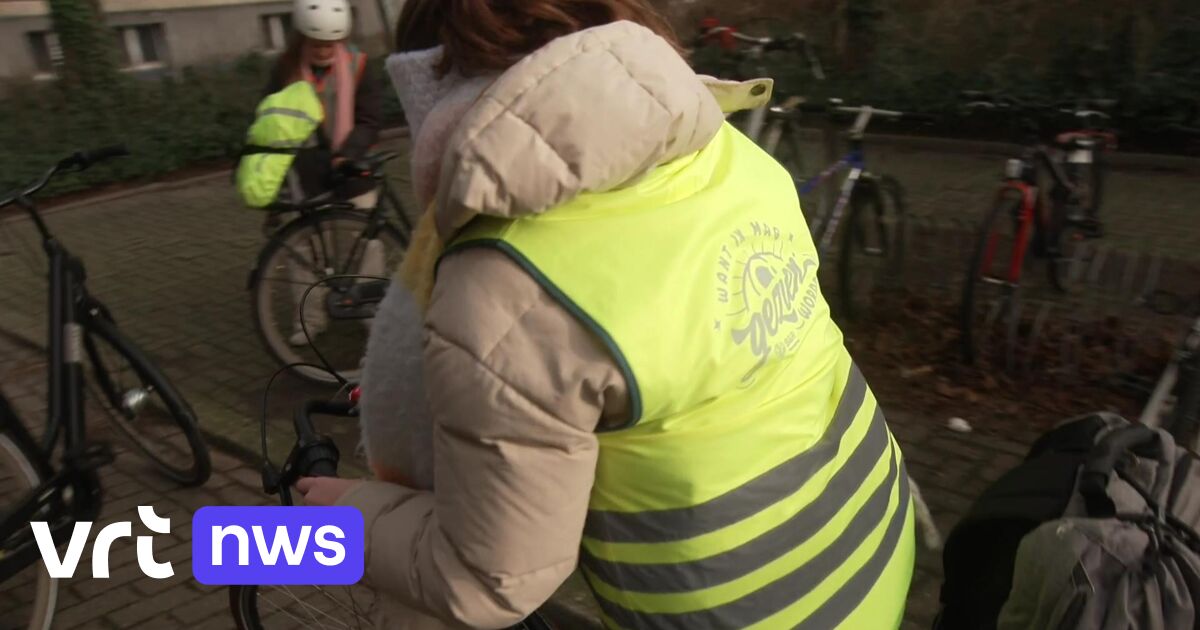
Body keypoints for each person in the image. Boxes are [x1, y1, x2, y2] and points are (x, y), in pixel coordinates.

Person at [297, 1, 917, 628]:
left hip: (744, 612)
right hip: (869, 546)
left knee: (257, 542)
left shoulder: (503, 280)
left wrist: (309, 532)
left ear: (432, 83)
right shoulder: (732, 154)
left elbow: (489, 579)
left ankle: (219, 549)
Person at [264, 0, 384, 346]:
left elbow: (370, 119)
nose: (322, 51)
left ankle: (368, 312)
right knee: (305, 249)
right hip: (305, 172)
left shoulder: (359, 65)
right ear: (301, 38)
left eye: (329, 44)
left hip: (352, 168)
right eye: (315, 44)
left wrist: (347, 154)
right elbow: (269, 120)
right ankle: (310, 319)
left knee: (363, 245)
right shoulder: (285, 70)